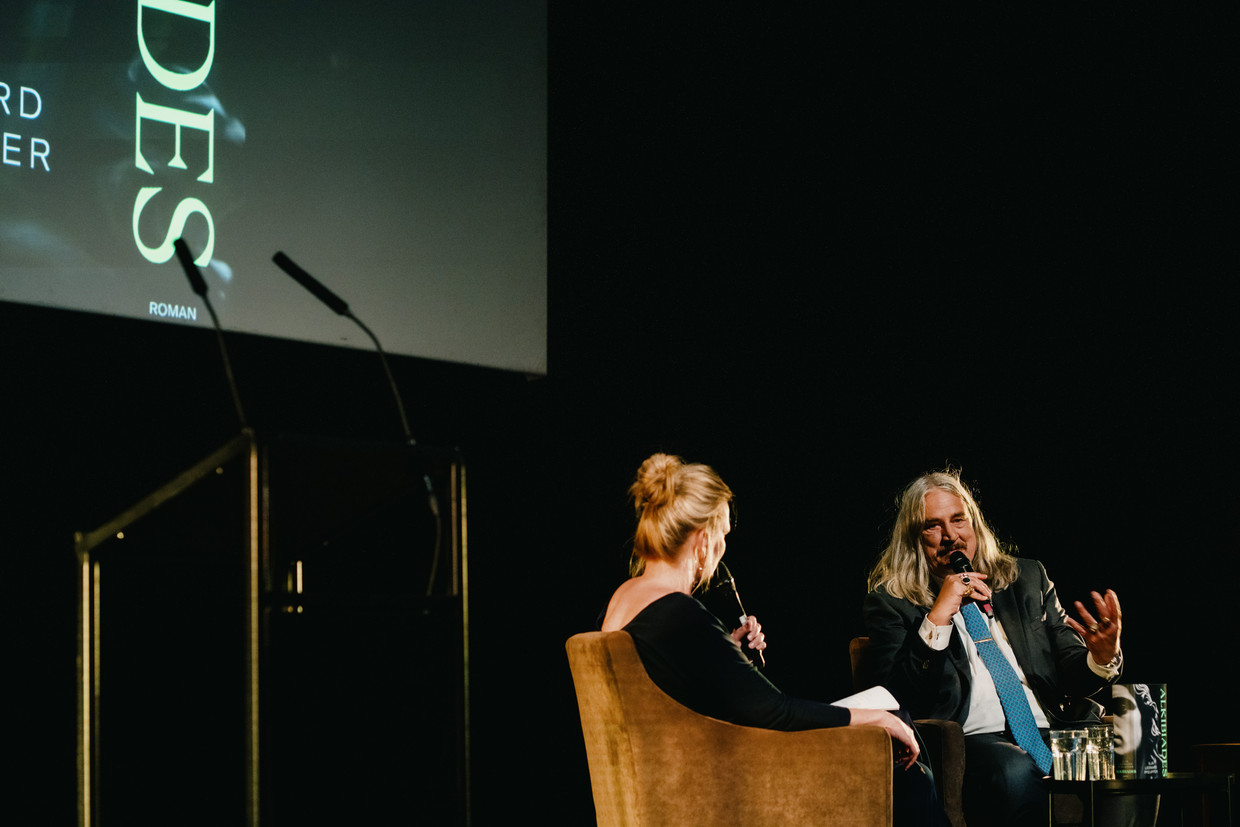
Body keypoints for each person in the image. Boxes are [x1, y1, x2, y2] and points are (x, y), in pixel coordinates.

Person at [601, 453, 947, 826]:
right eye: (723, 536)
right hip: (720, 784)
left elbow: (672, 696)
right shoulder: (678, 612)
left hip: (677, 773)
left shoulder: (626, 598)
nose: (721, 550)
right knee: (902, 754)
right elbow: (774, 711)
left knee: (896, 729)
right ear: (703, 541)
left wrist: (726, 653)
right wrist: (878, 719)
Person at [863, 470, 1125, 827]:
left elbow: (1071, 670)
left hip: (1052, 730)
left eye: (958, 520)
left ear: (974, 523)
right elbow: (897, 695)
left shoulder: (1027, 579)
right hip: (973, 741)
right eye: (932, 526)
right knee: (1014, 769)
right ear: (914, 539)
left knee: (1132, 762)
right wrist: (939, 614)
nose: (951, 536)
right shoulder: (893, 602)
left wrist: (1101, 656)